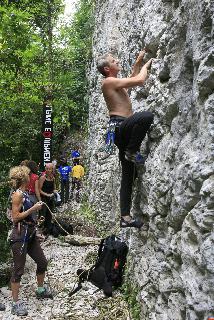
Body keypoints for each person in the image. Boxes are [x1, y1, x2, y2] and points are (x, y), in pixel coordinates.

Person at [97, 49, 154, 228]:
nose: (118, 61)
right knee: (146, 116)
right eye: (114, 61)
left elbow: (131, 78)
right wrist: (146, 66)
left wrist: (138, 61)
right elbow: (139, 80)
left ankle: (125, 217)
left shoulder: (114, 83)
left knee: (128, 175)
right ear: (107, 69)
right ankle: (131, 150)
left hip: (122, 130)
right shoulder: (108, 82)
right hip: (121, 127)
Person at [9, 165, 52, 317]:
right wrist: (33, 209)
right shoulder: (18, 195)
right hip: (20, 236)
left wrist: (35, 224)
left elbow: (25, 216)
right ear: (24, 178)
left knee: (42, 262)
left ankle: (40, 290)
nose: (31, 176)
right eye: (28, 175)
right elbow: (15, 217)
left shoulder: (25, 193)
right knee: (18, 270)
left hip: (30, 233)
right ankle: (15, 304)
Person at [39, 163, 56, 235]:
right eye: (47, 169)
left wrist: (54, 192)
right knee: (43, 214)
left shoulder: (53, 178)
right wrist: (47, 195)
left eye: (50, 169)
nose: (48, 170)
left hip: (50, 198)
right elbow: (39, 189)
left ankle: (47, 230)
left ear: (52, 169)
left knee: (49, 214)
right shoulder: (43, 178)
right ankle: (40, 230)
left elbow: (54, 188)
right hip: (44, 198)